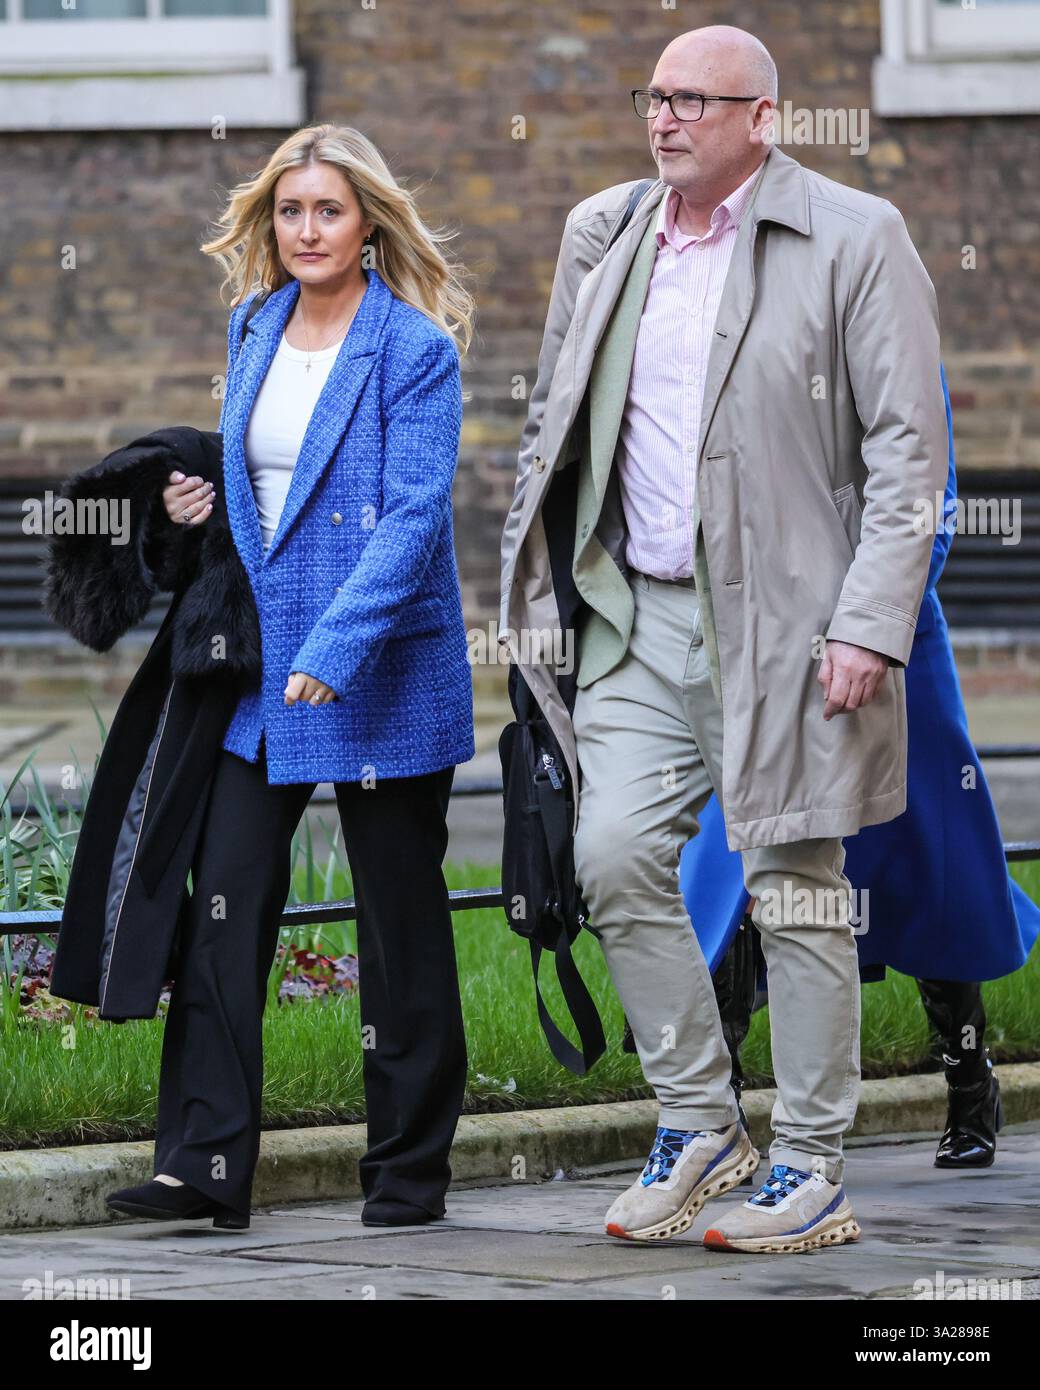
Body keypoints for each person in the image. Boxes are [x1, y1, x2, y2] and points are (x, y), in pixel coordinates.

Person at [499, 26, 949, 1253]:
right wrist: (548, 595)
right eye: (654, 97)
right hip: (637, 613)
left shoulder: (854, 237)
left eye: (694, 100)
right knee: (609, 855)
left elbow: (909, 452)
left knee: (796, 885)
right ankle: (698, 1122)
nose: (664, 119)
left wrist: (869, 621)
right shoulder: (603, 233)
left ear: (764, 116)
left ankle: (809, 1162)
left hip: (789, 627)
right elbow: (557, 419)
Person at [106, 123, 475, 1231]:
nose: (304, 229)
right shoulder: (255, 324)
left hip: (378, 675)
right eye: (287, 211)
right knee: (223, 907)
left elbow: (411, 520)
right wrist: (197, 506)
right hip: (258, 678)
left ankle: (407, 1174)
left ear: (368, 223)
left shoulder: (414, 350)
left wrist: (333, 648)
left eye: (326, 210)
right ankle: (202, 1169)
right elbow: (264, 493)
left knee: (397, 926)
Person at [682, 366, 1040, 1169]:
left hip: (892, 645)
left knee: (929, 871)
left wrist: (875, 629)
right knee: (740, 864)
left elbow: (928, 503)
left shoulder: (887, 313)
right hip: (765, 643)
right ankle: (723, 1105)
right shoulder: (738, 322)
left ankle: (968, 1074)